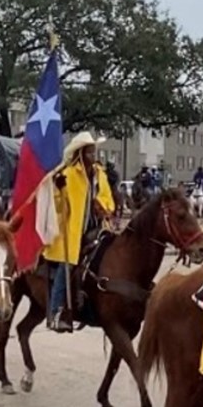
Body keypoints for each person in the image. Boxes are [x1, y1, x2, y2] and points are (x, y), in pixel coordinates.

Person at [42, 131, 115, 332]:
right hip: (72, 232)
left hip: (97, 228)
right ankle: (56, 311)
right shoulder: (67, 175)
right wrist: (58, 189)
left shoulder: (100, 174)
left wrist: (103, 206)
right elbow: (56, 205)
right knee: (68, 265)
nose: (93, 156)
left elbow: (108, 199)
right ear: (80, 154)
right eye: (89, 152)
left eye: (94, 152)